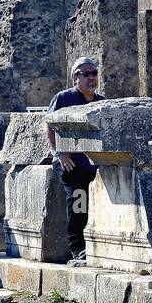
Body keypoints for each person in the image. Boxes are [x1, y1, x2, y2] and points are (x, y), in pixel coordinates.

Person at [46, 56, 104, 265]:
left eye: (94, 73)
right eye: (86, 74)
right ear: (75, 77)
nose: (91, 78)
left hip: (95, 165)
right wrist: (60, 153)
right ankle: (78, 248)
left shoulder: (101, 101)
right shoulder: (64, 98)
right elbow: (50, 126)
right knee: (79, 202)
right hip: (71, 164)